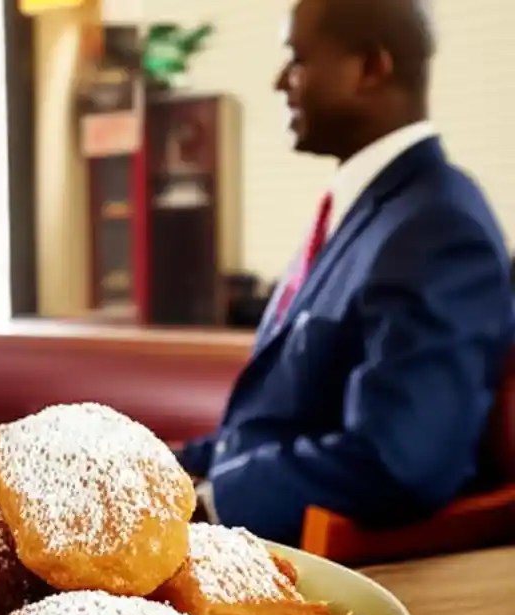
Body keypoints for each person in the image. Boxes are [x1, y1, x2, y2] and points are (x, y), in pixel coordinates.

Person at [178, 0, 515, 544]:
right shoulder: (367, 211)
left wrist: (208, 504)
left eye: (298, 59)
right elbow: (277, 421)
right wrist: (159, 471)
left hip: (348, 579)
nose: (279, 81)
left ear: (369, 68)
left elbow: (400, 459)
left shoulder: (439, 226)